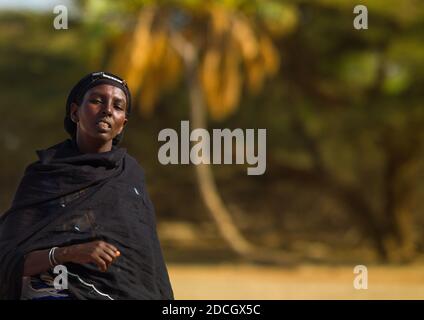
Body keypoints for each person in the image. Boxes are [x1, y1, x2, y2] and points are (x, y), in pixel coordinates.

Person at [0, 71, 174, 300]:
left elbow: (145, 259)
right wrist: (68, 253)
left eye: (118, 106)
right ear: (75, 112)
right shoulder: (45, 175)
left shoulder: (129, 175)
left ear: (123, 124)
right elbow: (8, 260)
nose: (107, 110)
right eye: (96, 101)